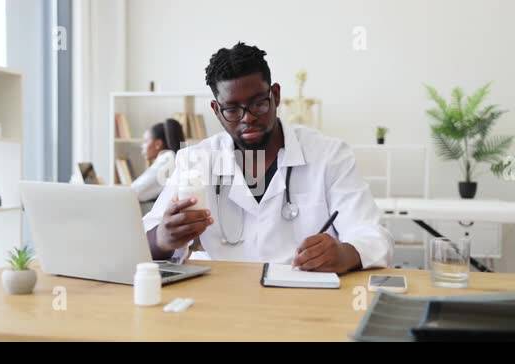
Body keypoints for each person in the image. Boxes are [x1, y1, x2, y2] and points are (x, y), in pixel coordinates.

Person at [143, 42, 393, 274]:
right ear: (216, 110)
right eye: (232, 109)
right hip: (222, 300)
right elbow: (141, 242)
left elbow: (373, 236)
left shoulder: (329, 155)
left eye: (258, 104)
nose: (247, 118)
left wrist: (342, 254)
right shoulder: (196, 160)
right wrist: (163, 238)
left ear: (275, 95)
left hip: (303, 295)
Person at [132, 119, 185, 202]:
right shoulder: (172, 158)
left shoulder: (167, 159)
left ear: (158, 144)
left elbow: (135, 192)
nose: (142, 146)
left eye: (145, 141)